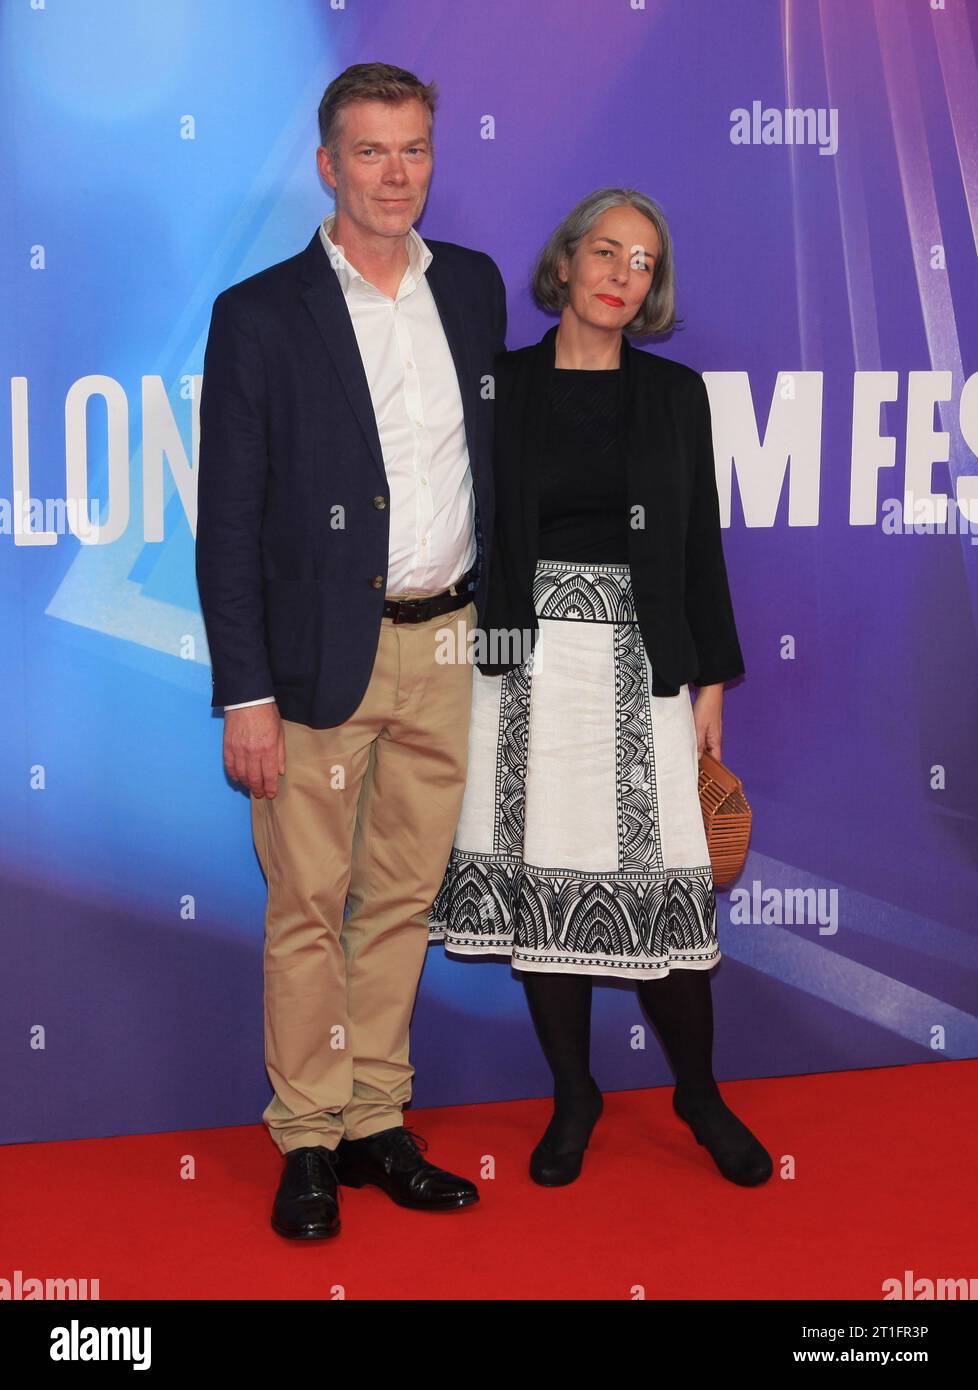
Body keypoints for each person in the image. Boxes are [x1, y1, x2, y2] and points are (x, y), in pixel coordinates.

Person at [196, 62, 507, 1239]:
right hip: (318, 659)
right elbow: (227, 520)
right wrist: (248, 694)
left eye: (415, 148)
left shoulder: (471, 291)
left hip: (449, 647)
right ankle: (309, 1136)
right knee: (308, 904)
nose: (395, 173)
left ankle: (378, 1120)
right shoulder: (260, 315)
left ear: (435, 155)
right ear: (327, 164)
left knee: (401, 903)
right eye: (371, 151)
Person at [428, 188, 771, 1188]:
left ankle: (698, 1094)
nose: (625, 274)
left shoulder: (674, 395)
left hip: (645, 660)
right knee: (546, 887)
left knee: (661, 898)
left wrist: (712, 678)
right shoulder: (502, 385)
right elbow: (469, 528)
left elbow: (700, 541)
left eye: (645, 263)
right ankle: (574, 1093)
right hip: (521, 666)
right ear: (567, 264)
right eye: (609, 253)